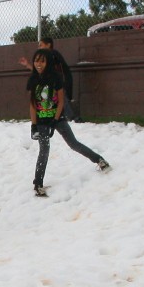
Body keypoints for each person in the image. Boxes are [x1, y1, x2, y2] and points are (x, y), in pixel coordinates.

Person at [27, 48, 109, 197]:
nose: (39, 64)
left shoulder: (56, 78)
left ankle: (99, 160)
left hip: (58, 119)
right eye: (36, 60)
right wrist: (34, 125)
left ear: (48, 62)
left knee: (73, 144)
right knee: (44, 151)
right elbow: (32, 104)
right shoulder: (33, 80)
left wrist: (55, 120)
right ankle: (38, 184)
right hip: (41, 122)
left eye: (42, 61)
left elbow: (60, 102)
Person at [19, 36, 78, 120]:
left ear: (48, 45)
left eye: (41, 45)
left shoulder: (52, 54)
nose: (39, 47)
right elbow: (40, 70)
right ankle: (66, 116)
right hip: (55, 81)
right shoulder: (48, 56)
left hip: (62, 80)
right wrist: (27, 65)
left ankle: (72, 117)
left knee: (62, 98)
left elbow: (45, 70)